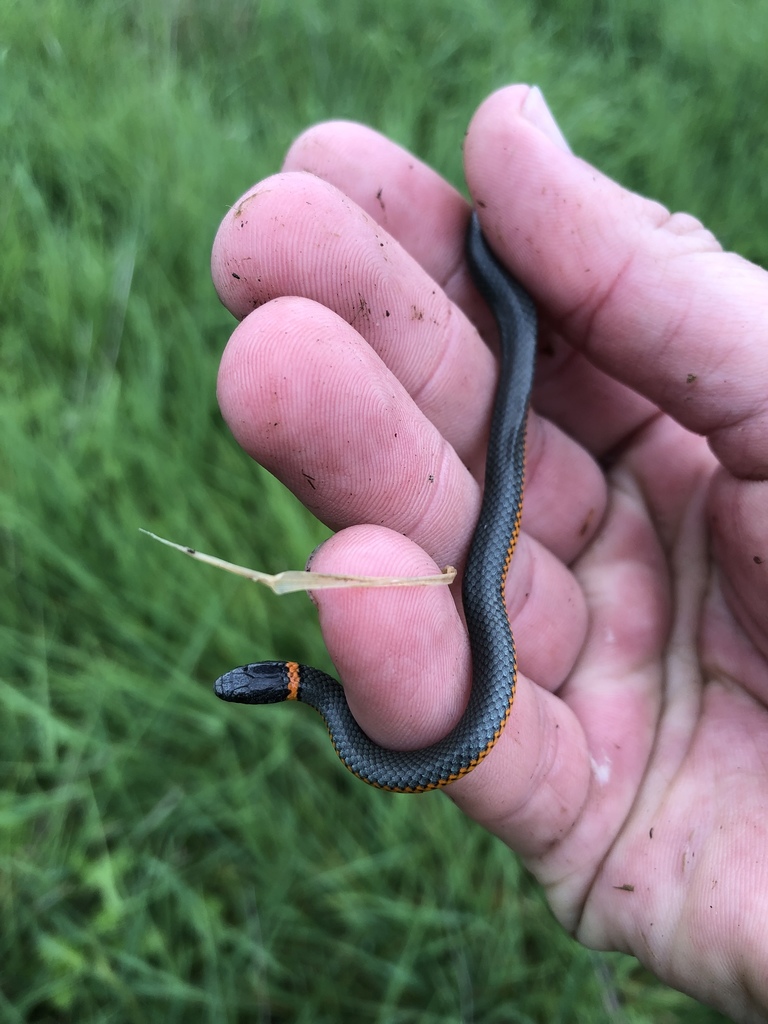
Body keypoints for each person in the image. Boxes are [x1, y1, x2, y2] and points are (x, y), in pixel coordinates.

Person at [210, 85, 768, 1021]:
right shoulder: (361, 725)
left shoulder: (363, 730)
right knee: (460, 475)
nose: (247, 683)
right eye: (254, 682)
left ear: (285, 682)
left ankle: (495, 254)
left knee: (491, 443)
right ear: (281, 681)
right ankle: (491, 258)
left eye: (256, 681)